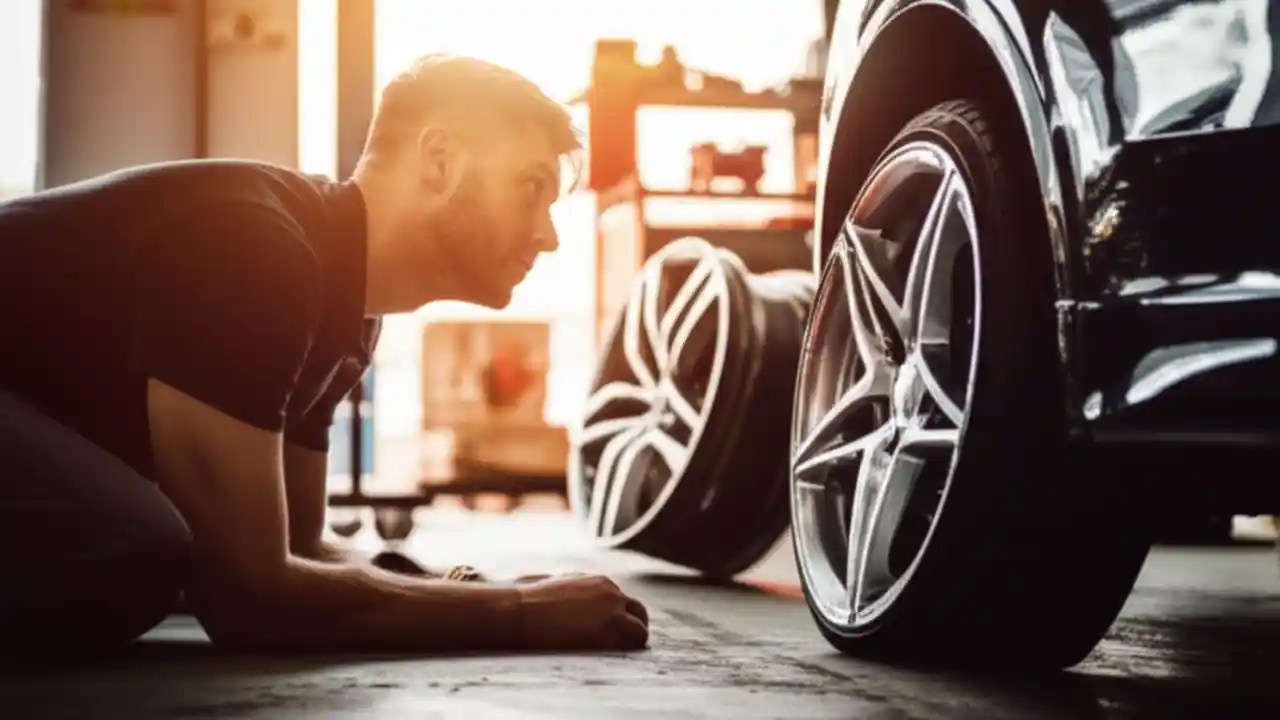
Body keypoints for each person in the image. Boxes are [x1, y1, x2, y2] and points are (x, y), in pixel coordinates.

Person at [0, 54, 649, 655]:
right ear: (440, 160)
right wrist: (517, 612)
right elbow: (250, 600)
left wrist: (463, 586)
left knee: (164, 551)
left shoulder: (350, 312)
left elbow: (297, 547)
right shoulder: (260, 251)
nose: (549, 235)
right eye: (531, 188)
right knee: (143, 547)